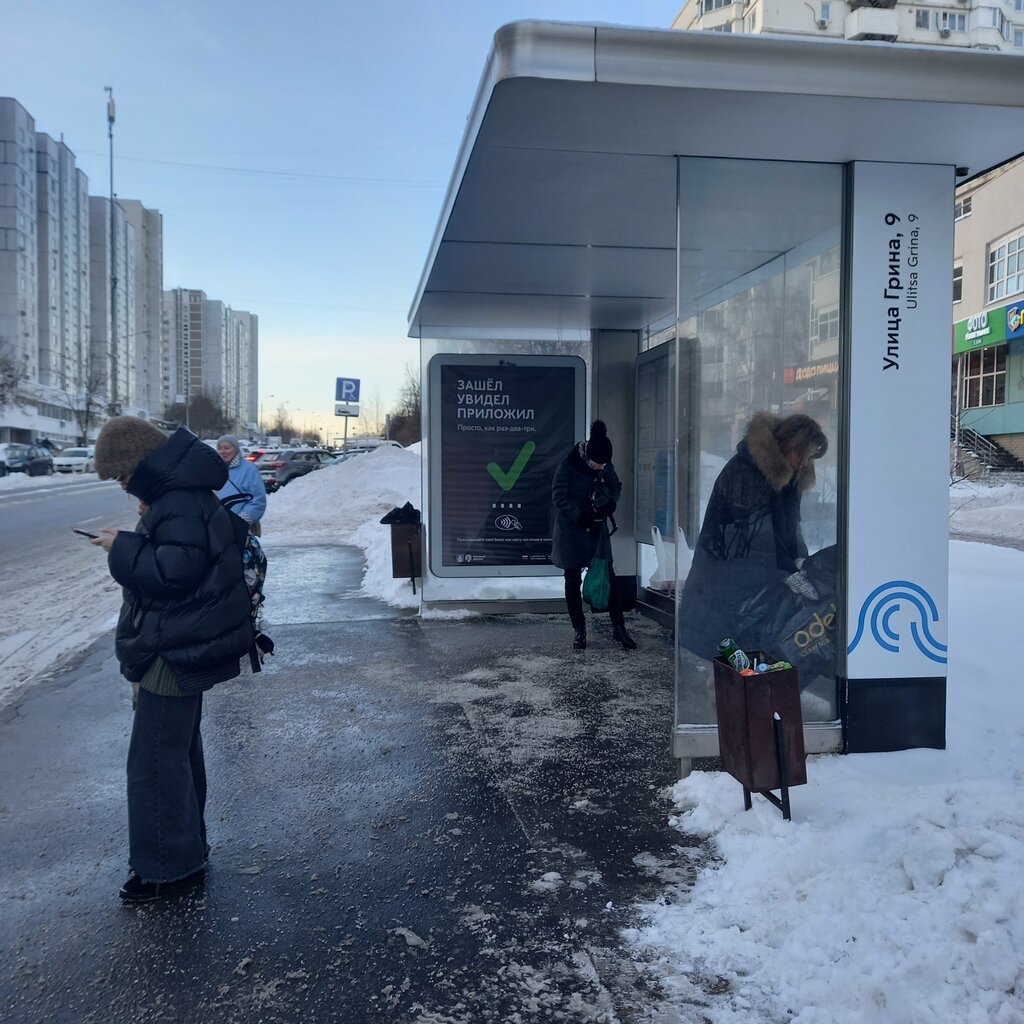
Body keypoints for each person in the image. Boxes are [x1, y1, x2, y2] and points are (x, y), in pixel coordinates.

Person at [90, 417, 253, 903]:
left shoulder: (177, 498)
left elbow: (174, 573)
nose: (123, 486)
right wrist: (144, 526)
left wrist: (122, 546)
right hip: (180, 641)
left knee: (156, 762)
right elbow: (181, 560)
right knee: (175, 753)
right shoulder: (176, 495)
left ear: (142, 463)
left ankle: (169, 871)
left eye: (123, 475)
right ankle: (184, 855)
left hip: (172, 647)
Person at [677, 411, 828, 661]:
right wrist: (790, 571)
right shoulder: (744, 472)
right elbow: (756, 534)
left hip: (758, 585)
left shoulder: (789, 479)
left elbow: (791, 528)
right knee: (728, 656)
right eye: (804, 456)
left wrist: (802, 561)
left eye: (811, 459)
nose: (805, 464)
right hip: (725, 583)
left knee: (750, 660)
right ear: (790, 445)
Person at [551, 420, 636, 651]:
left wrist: (611, 503)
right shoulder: (567, 465)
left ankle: (619, 628)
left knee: (609, 578)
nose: (601, 468)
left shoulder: (604, 462)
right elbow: (559, 498)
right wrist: (580, 516)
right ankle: (579, 630)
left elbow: (616, 486)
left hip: (597, 531)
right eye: (598, 464)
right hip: (571, 530)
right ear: (587, 456)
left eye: (604, 465)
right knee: (572, 580)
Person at [215, 434, 266, 534]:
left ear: (236, 449)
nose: (222, 451)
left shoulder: (249, 470)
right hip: (216, 527)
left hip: (240, 528)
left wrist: (239, 522)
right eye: (219, 448)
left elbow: (258, 501)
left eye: (227, 448)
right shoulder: (214, 469)